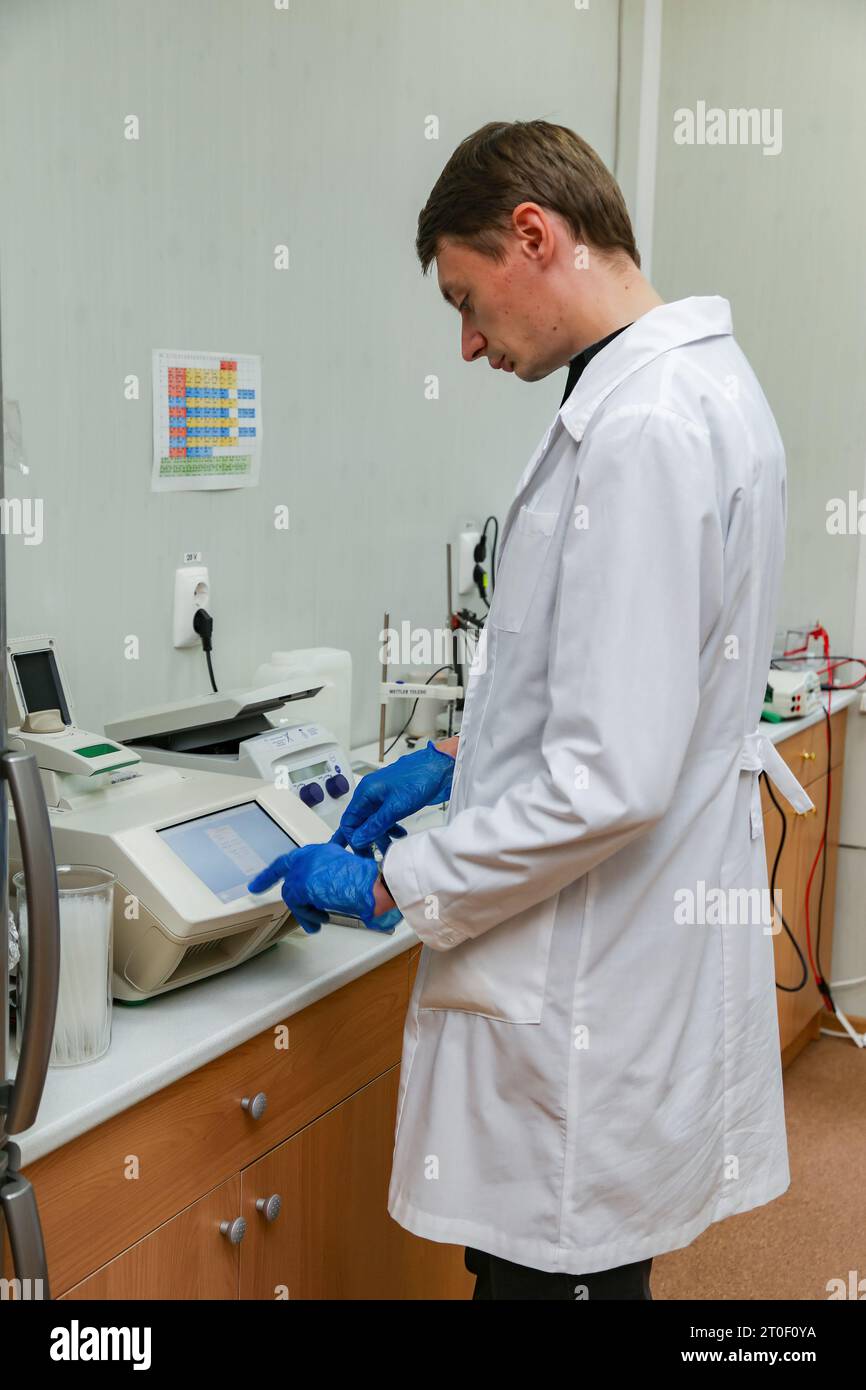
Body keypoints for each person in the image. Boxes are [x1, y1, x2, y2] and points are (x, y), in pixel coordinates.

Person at [249, 120, 813, 1300]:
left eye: (465, 296)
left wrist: (396, 883)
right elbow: (621, 689)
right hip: (623, 951)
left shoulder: (641, 427)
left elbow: (607, 777)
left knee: (553, 1284)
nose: (464, 341)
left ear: (532, 234)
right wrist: (456, 760)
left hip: (591, 986)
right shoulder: (678, 388)